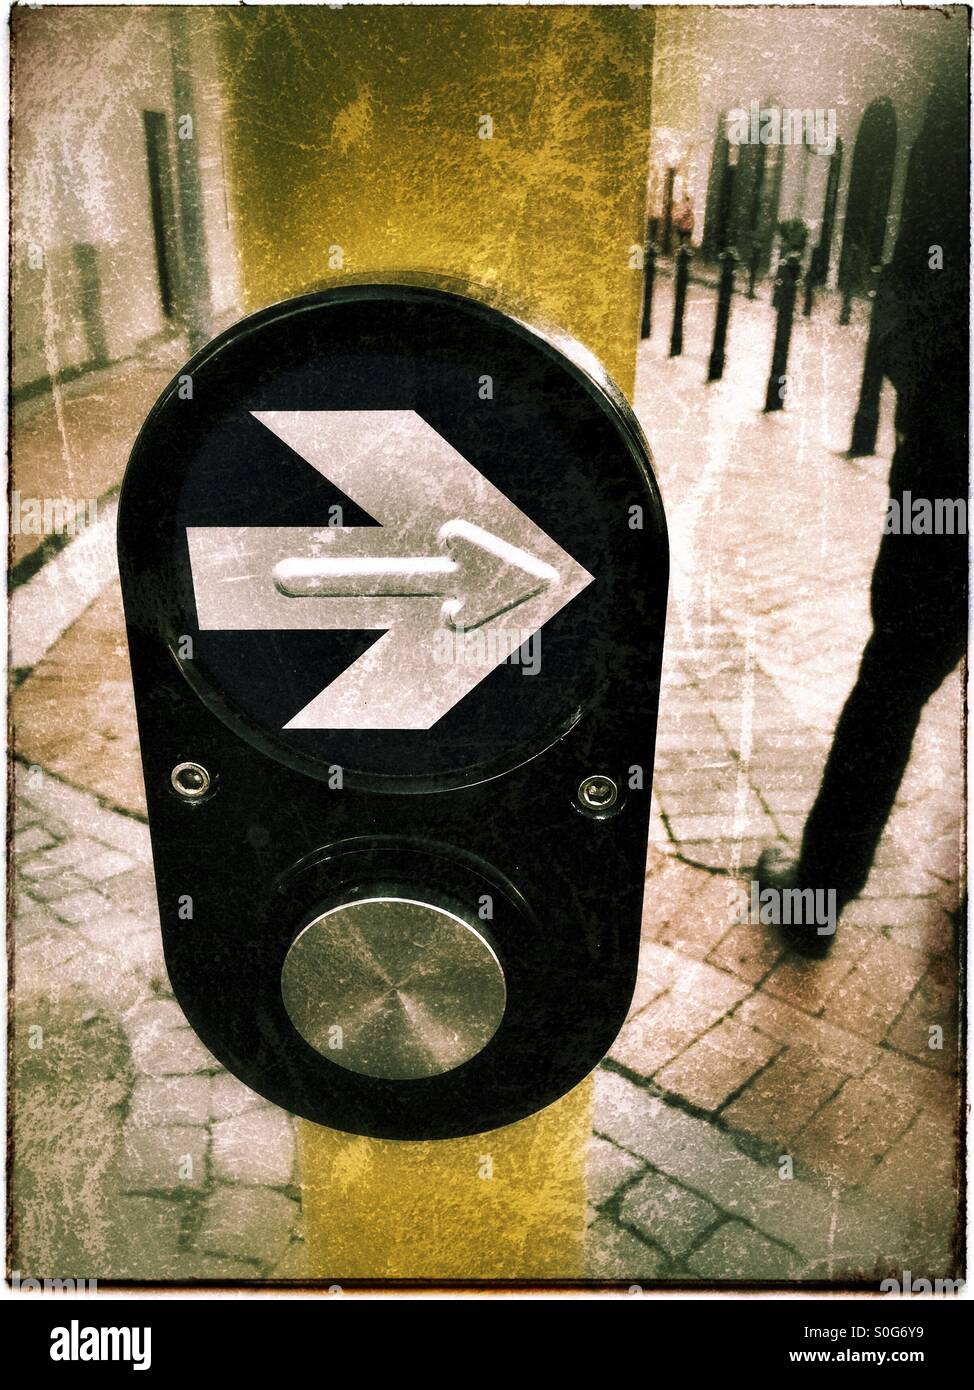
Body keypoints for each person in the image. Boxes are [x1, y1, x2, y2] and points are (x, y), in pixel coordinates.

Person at [756, 49, 968, 956]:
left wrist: (927, 402)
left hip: (957, 450)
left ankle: (816, 902)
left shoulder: (960, 71)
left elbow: (922, 277)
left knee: (894, 680)